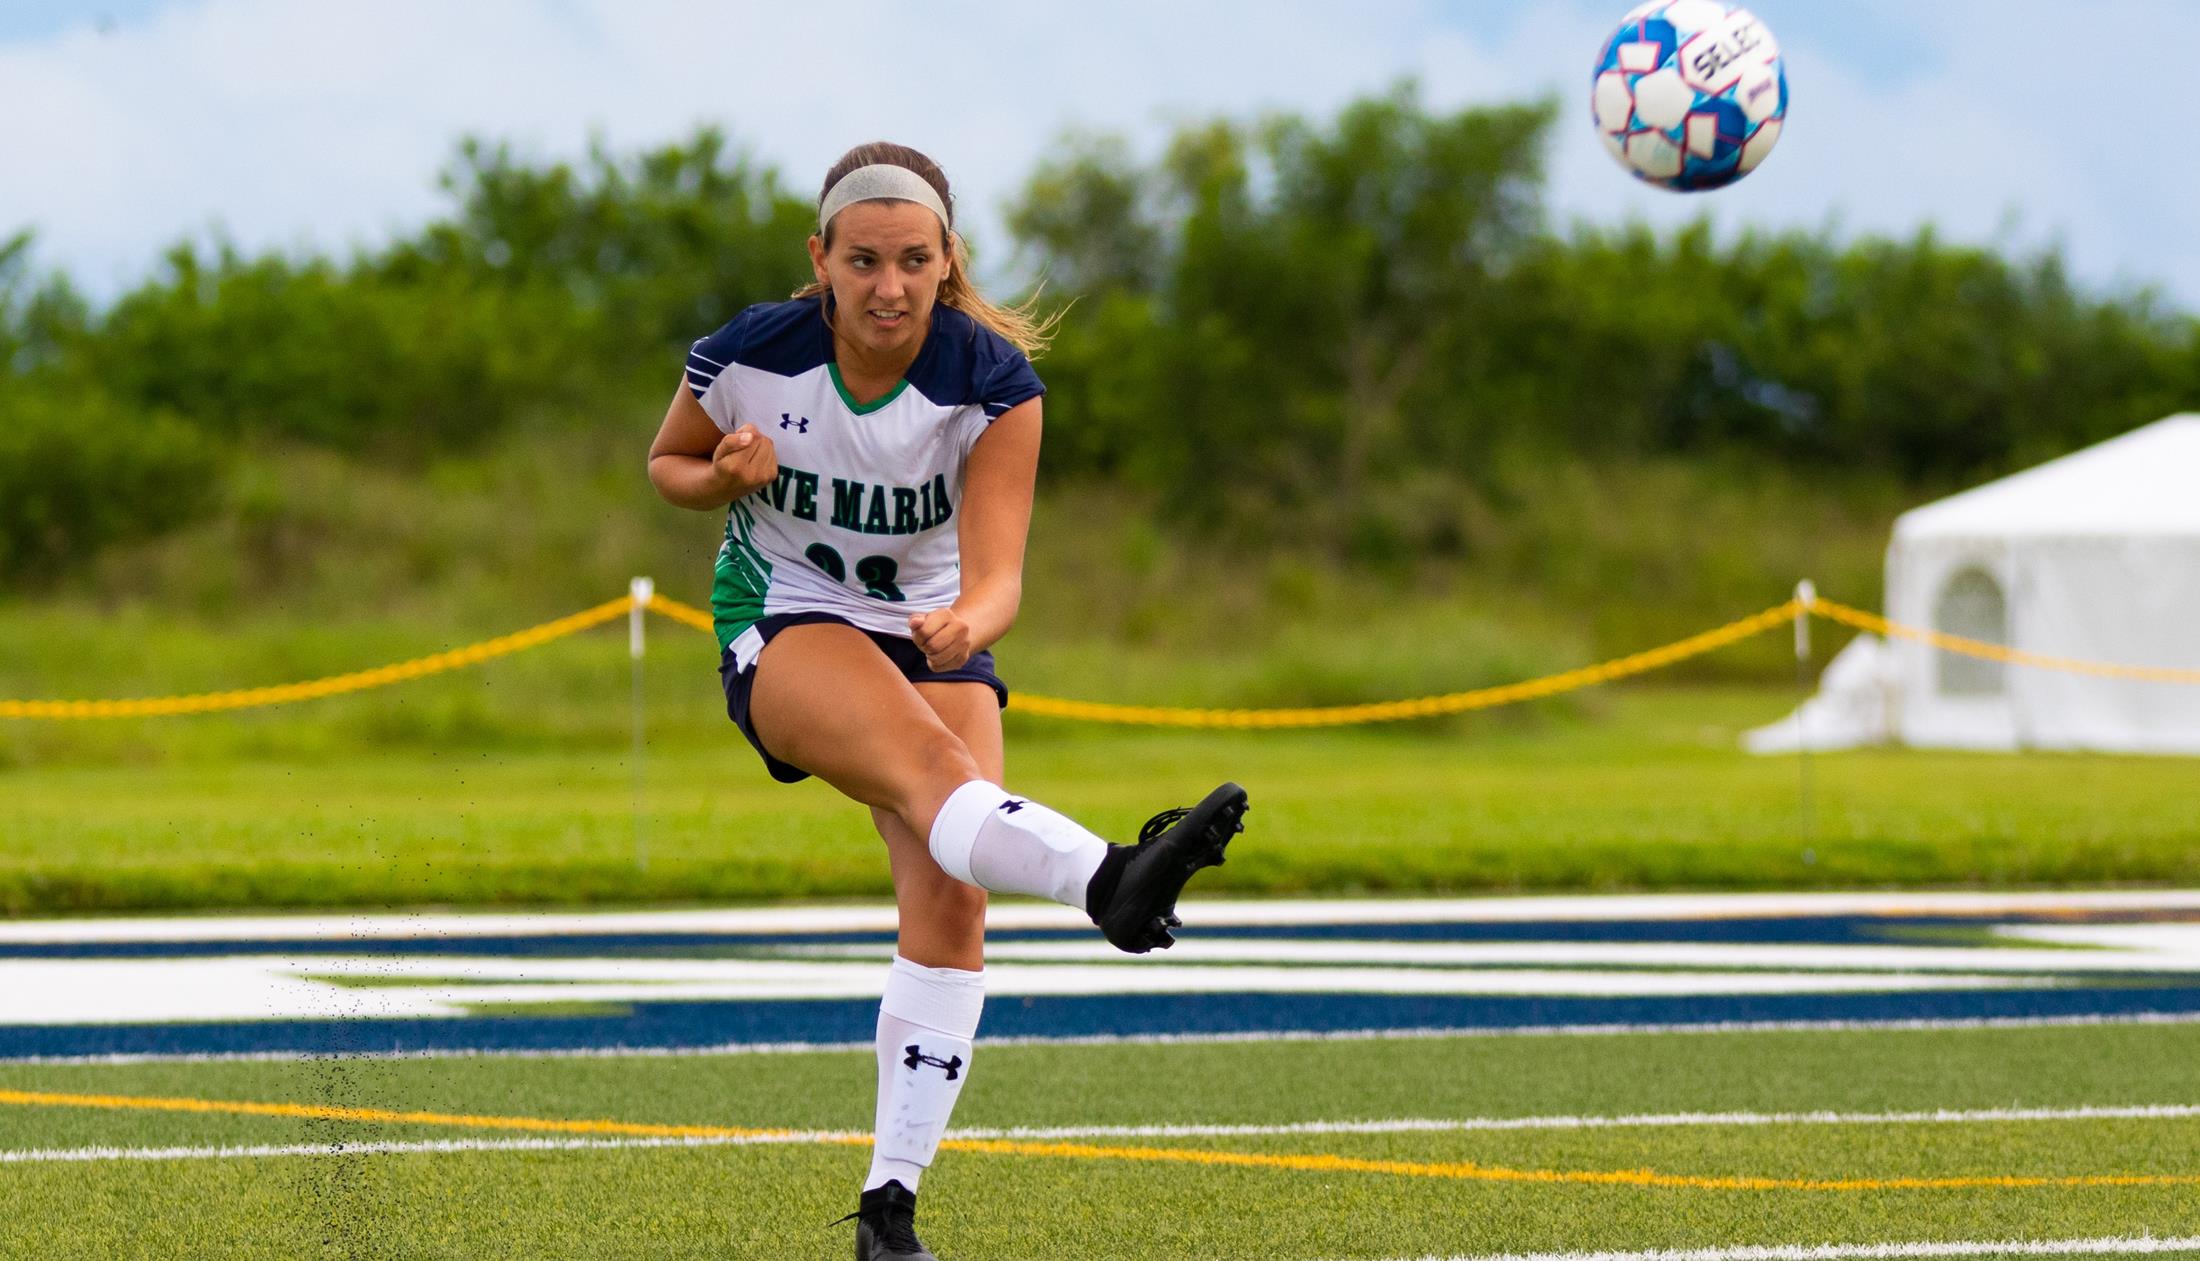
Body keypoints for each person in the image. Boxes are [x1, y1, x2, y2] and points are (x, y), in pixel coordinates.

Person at [644, 141, 1250, 1261]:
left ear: (946, 258)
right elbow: (666, 464)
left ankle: (889, 1211)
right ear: (818, 259)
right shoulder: (748, 354)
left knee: (953, 896)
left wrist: (972, 624)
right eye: (863, 260)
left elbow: (1002, 574)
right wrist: (721, 478)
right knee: (938, 782)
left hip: (933, 628)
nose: (888, 286)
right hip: (784, 611)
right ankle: (1111, 879)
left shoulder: (992, 380)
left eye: (913, 260)